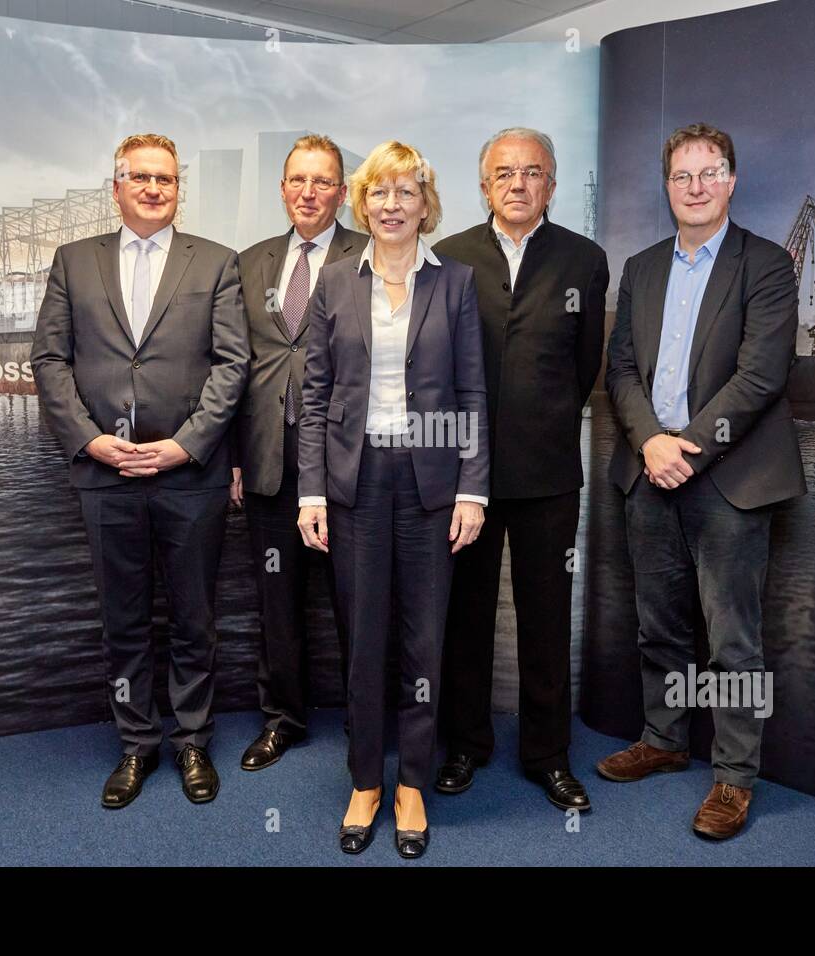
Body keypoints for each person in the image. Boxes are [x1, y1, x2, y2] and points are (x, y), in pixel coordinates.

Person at [599, 122, 806, 839]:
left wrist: (683, 448)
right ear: (669, 187)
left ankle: (734, 777)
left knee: (733, 640)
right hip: (647, 473)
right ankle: (662, 740)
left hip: (728, 480)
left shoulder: (769, 265)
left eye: (709, 173)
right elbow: (620, 368)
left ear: (731, 180)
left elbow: (761, 377)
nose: (695, 187)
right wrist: (649, 442)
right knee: (659, 624)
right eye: (682, 176)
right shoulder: (643, 267)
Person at [30, 133, 249, 810]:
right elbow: (49, 360)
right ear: (116, 185)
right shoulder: (73, 261)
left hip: (190, 475)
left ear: (179, 188)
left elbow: (233, 364)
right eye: (141, 177)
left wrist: (187, 445)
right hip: (106, 474)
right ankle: (135, 746)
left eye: (167, 179)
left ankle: (190, 744)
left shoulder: (216, 263)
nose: (155, 188)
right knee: (122, 621)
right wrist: (90, 441)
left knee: (193, 617)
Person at [297, 141, 488, 859]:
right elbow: (314, 395)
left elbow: (471, 392)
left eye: (406, 192)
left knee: (423, 640)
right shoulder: (336, 284)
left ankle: (411, 781)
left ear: (425, 204)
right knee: (364, 639)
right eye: (380, 192)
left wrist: (473, 487)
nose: (392, 205)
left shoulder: (457, 284)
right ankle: (364, 781)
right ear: (362, 201)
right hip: (353, 486)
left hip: (432, 488)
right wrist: (310, 490)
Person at [433, 128, 607, 812]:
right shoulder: (446, 258)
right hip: (462, 478)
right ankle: (465, 744)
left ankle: (548, 755)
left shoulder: (585, 260)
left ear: (552, 184)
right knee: (465, 617)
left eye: (532, 172)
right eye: (503, 173)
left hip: (548, 475)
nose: (517, 183)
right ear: (483, 186)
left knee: (545, 616)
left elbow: (584, 364)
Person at [233, 135, 368, 771]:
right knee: (277, 604)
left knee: (357, 603)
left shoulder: (370, 255)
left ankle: (364, 723)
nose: (308, 193)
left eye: (322, 182)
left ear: (343, 192)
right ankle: (282, 720)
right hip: (268, 461)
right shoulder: (250, 262)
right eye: (297, 181)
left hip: (348, 464)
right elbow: (232, 366)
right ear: (282, 189)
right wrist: (235, 456)